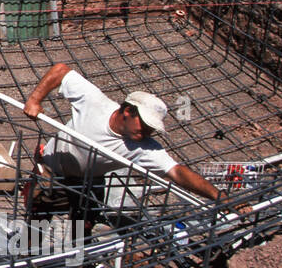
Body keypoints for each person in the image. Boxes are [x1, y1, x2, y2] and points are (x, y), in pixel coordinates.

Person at [22, 62, 228, 221]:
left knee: (82, 226)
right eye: (145, 124)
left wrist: (219, 196)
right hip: (51, 167)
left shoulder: (143, 146)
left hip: (88, 180)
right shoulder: (95, 103)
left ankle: (74, 267)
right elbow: (61, 70)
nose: (148, 131)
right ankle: (27, 264)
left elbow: (177, 172)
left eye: (152, 128)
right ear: (128, 111)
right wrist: (34, 100)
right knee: (37, 220)